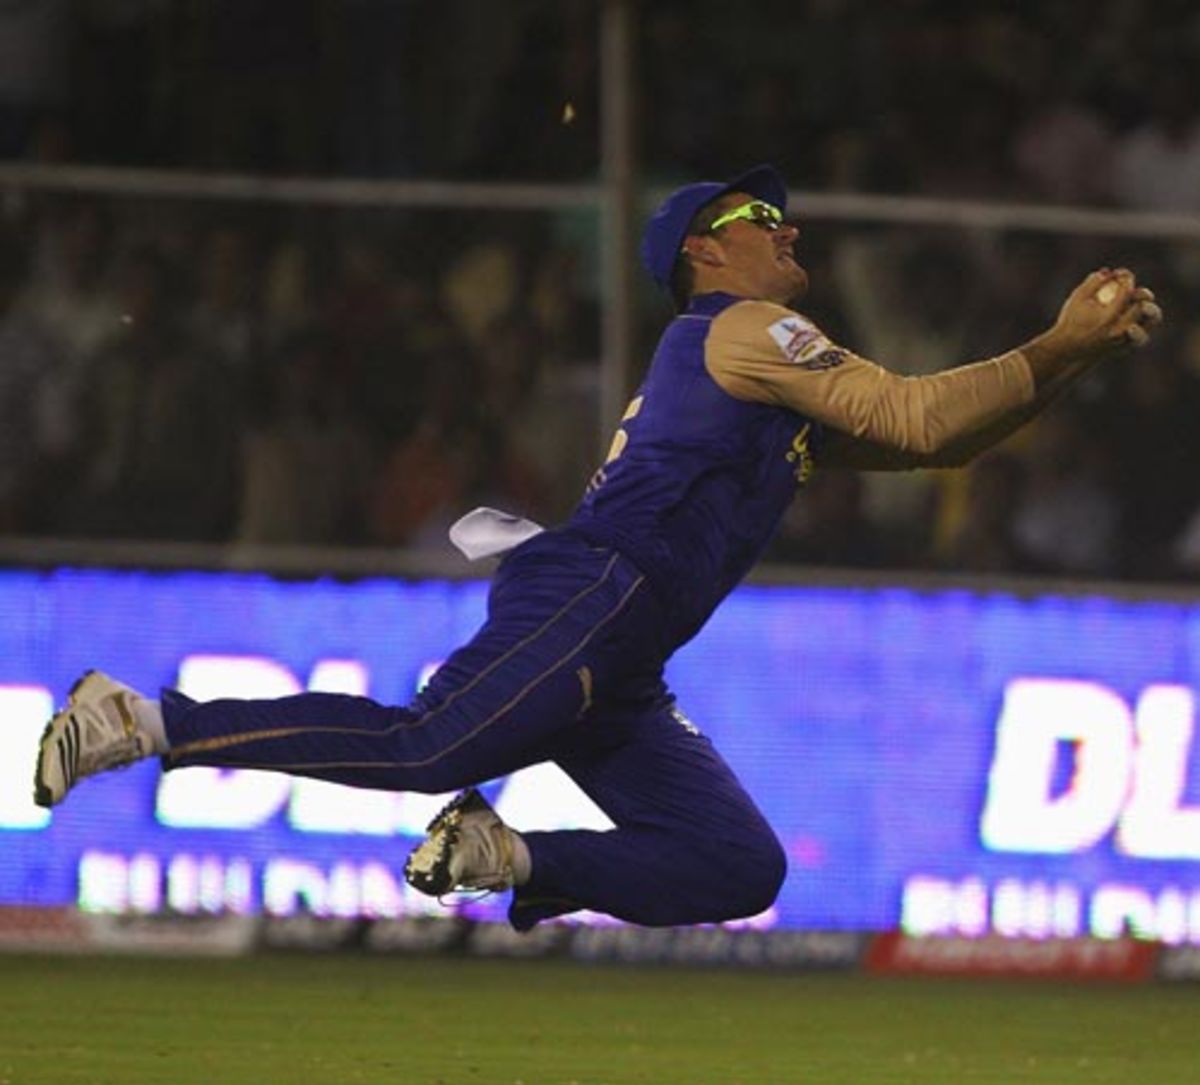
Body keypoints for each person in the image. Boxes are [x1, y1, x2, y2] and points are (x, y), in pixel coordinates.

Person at [33, 165, 1161, 931]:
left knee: (738, 864)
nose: (786, 229)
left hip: (622, 641)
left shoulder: (762, 371)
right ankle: (142, 718)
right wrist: (1058, 339)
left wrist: (1073, 359)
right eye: (756, 219)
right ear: (704, 257)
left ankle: (513, 858)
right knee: (431, 744)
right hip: (597, 590)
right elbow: (923, 416)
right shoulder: (743, 328)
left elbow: (935, 447)